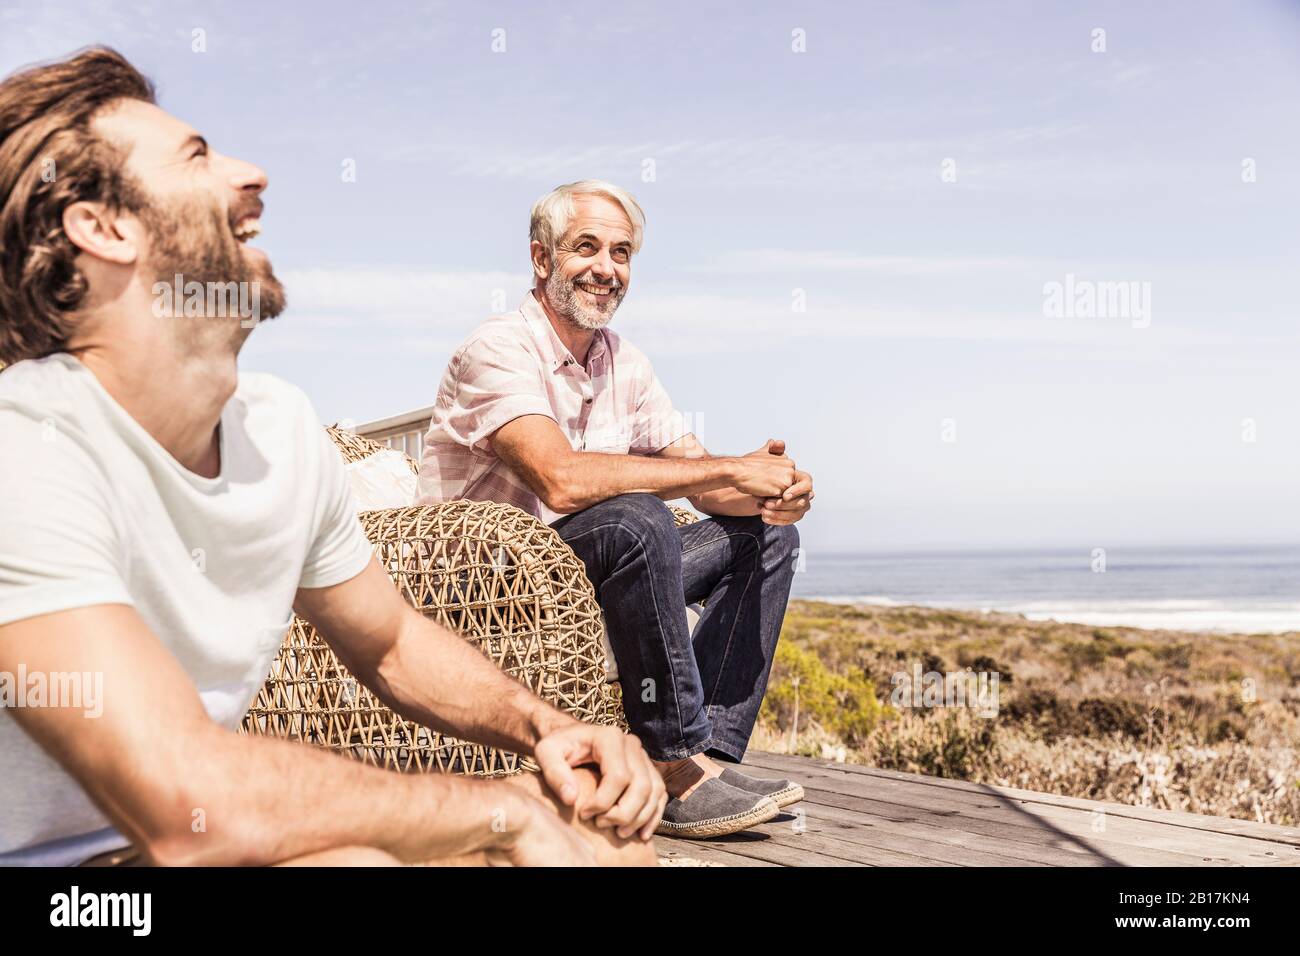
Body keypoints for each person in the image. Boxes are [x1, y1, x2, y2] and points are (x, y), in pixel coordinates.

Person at [0, 48, 663, 867]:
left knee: (608, 850)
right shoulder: (25, 445)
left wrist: (552, 732)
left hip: (181, 843)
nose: (254, 176)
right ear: (101, 227)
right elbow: (186, 801)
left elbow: (388, 643)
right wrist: (503, 813)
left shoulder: (278, 428)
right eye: (199, 158)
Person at [416, 180, 814, 837]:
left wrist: (772, 490)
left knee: (766, 540)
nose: (607, 268)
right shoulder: (498, 347)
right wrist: (724, 468)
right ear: (542, 260)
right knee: (636, 516)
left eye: (622, 252)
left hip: (585, 575)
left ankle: (709, 757)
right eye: (587, 248)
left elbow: (700, 481)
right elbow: (560, 481)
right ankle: (670, 764)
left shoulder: (623, 360)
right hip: (486, 585)